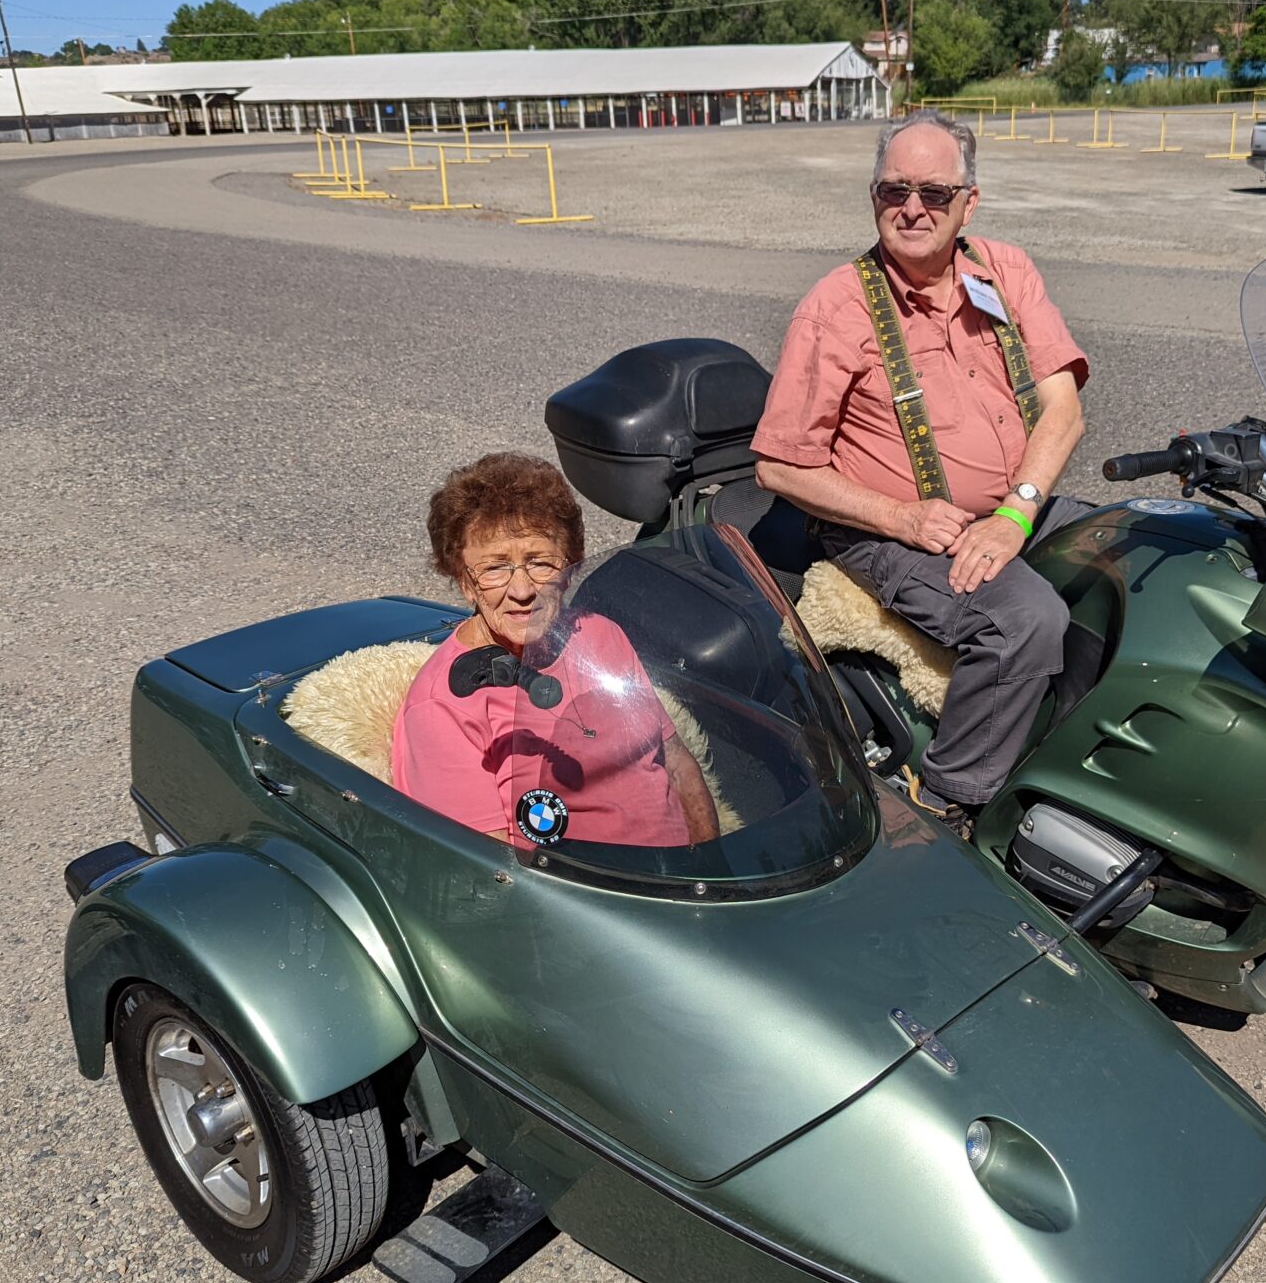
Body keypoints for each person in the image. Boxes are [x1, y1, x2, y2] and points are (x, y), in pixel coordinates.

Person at [751, 108, 1090, 834]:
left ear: (970, 201)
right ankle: (946, 803)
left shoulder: (1006, 269)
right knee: (1026, 621)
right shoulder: (836, 308)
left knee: (1143, 545)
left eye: (934, 193)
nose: (911, 209)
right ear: (873, 196)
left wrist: (1017, 512)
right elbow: (780, 466)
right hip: (887, 529)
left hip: (1012, 507)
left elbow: (1062, 411)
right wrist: (905, 517)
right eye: (892, 190)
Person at [392, 453, 719, 849]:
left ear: (570, 568)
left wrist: (710, 861)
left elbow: (676, 759)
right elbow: (489, 869)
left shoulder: (602, 636)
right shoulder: (441, 708)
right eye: (495, 568)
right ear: (464, 582)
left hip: (682, 881)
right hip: (576, 893)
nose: (522, 590)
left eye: (540, 562)